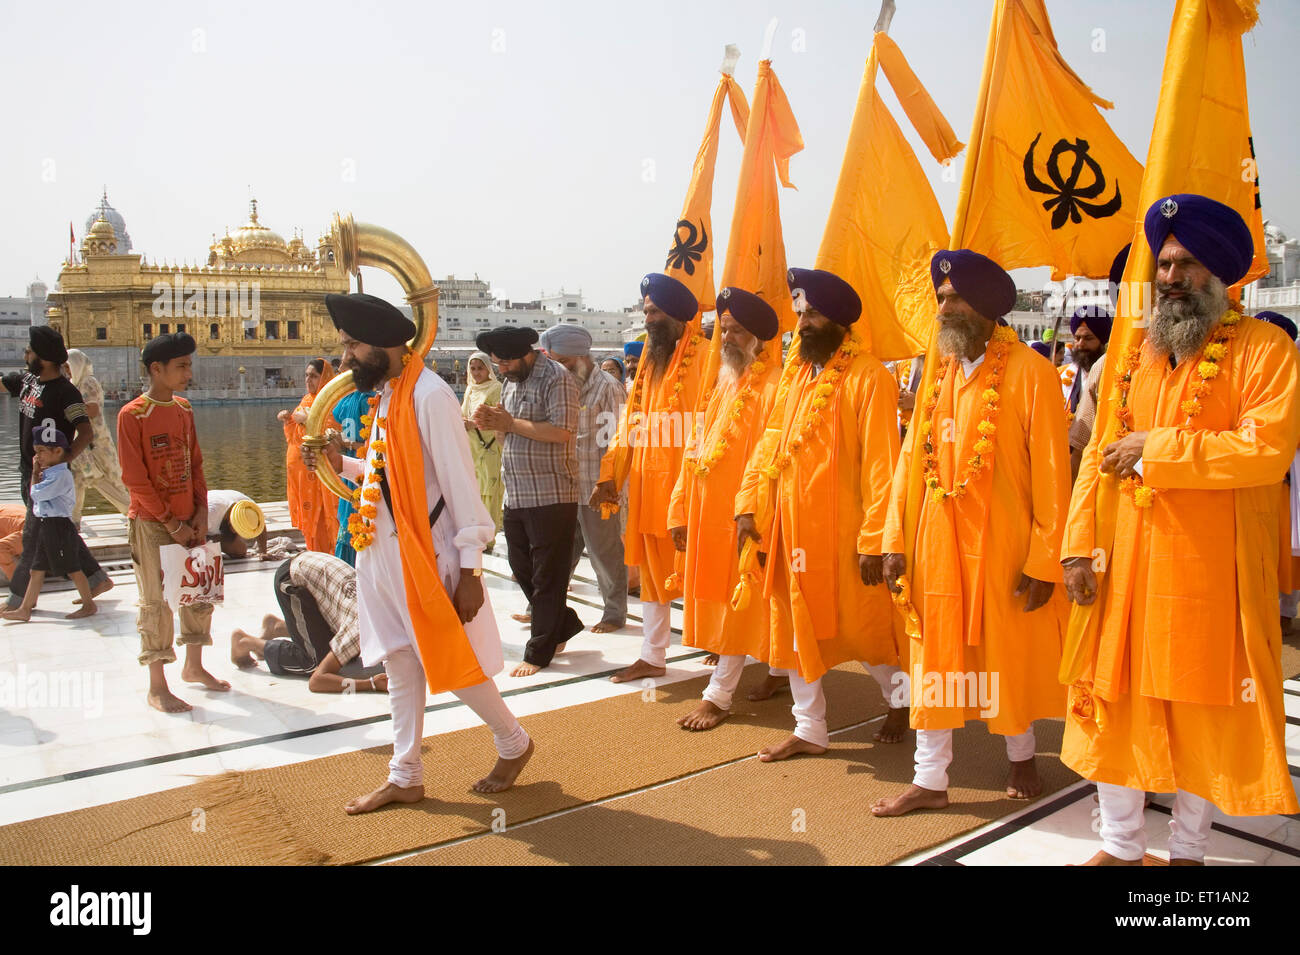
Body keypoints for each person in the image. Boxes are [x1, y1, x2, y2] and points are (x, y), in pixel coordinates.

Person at [1062, 194, 1300, 865]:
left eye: (1185, 263)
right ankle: (1119, 843)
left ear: (1218, 275)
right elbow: (1098, 460)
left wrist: (1156, 449)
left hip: (1210, 573)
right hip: (1127, 569)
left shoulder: (1265, 349)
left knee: (1202, 711)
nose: (1168, 276)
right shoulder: (1137, 353)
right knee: (1119, 702)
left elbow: (1265, 450)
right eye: (1164, 263)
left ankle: (1189, 850)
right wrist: (1077, 545)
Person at [306, 292, 533, 812]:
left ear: (385, 345)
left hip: (426, 555)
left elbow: (461, 488)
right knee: (402, 662)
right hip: (384, 552)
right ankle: (405, 773)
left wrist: (472, 569)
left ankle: (513, 742)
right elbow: (385, 480)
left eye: (353, 346)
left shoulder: (429, 395)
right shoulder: (388, 393)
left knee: (448, 661)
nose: (345, 359)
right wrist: (340, 463)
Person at [875, 250, 1070, 816]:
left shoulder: (1032, 373)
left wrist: (1044, 559)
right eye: (941, 299)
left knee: (1005, 656)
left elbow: (1055, 476)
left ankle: (1023, 753)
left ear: (986, 307)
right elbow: (910, 462)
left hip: (1005, 547)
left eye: (955, 298)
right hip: (936, 545)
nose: (945, 308)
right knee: (933, 658)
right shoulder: (934, 376)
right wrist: (893, 539)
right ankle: (930, 779)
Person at [734, 269, 907, 758]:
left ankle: (902, 698)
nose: (802, 322)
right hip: (785, 527)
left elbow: (882, 466)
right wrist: (748, 506)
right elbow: (769, 446)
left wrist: (875, 539)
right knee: (790, 626)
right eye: (801, 313)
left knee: (864, 631)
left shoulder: (870, 376)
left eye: (812, 313)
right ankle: (810, 728)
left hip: (844, 536)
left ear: (838, 320)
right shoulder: (795, 372)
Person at [670, 288, 782, 731]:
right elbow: (694, 451)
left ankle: (718, 695)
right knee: (741, 602)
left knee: (745, 600)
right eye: (724, 330)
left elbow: (773, 460)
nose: (728, 338)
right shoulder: (721, 384)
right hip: (709, 517)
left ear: (758, 338)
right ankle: (779, 671)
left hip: (750, 519)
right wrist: (679, 510)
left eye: (737, 331)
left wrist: (751, 511)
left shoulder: (776, 386)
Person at [591, 274, 707, 684]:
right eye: (645, 312)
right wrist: (610, 476)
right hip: (648, 488)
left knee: (709, 570)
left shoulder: (710, 358)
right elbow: (629, 426)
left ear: (676, 315)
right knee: (655, 579)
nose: (648, 319)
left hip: (695, 491)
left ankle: (732, 648)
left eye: (654, 311)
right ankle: (653, 654)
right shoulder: (649, 363)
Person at [117, 332, 228, 713]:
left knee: (199, 591)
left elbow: (194, 463)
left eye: (188, 365)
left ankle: (194, 667)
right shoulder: (132, 415)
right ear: (156, 369)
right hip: (151, 522)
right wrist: (171, 523)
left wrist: (199, 512)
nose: (188, 373)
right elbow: (135, 480)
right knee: (156, 602)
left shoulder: (183, 409)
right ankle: (157, 684)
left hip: (188, 517)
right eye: (181, 366)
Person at [472, 325, 584, 677]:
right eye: (497, 364)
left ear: (525, 353)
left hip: (552, 492)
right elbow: (509, 431)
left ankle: (539, 651)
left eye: (504, 363)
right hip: (517, 492)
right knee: (522, 568)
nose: (500, 370)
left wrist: (510, 423)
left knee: (547, 576)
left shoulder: (557, 378)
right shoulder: (510, 382)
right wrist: (491, 423)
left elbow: (562, 431)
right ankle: (562, 624)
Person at [3, 327, 112, 611]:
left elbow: (85, 433)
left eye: (31, 350)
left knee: (33, 535)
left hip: (49, 476)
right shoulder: (29, 381)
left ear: (46, 358)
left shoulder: (66, 393)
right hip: (30, 470)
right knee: (56, 527)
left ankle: (18, 601)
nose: (26, 354)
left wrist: (64, 459)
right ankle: (96, 578)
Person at [540, 323, 628, 633]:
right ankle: (546, 607)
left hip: (597, 485)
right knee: (560, 550)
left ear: (581, 357)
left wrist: (610, 485)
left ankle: (615, 613)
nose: (558, 369)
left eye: (562, 362)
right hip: (565, 483)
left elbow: (620, 440)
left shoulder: (608, 388)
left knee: (604, 551)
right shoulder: (560, 385)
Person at [230, 551, 387, 694]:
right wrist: (370, 684)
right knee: (313, 662)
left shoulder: (383, 610)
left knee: (347, 655)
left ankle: (277, 627)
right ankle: (245, 641)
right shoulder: (359, 630)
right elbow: (317, 681)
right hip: (292, 579)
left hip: (311, 569)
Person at [3, 432, 97, 621]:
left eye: (42, 451)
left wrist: (34, 474)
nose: (38, 457)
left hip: (59, 527)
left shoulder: (61, 475)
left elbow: (36, 494)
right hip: (47, 526)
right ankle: (25, 609)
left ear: (58, 451)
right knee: (36, 570)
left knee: (72, 568)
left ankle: (89, 604)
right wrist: (36, 473)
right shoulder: (48, 473)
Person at [63, 349, 131, 522]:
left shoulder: (88, 382)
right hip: (81, 442)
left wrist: (63, 411)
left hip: (94, 442)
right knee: (76, 478)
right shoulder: (75, 383)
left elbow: (92, 408)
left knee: (103, 479)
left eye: (69, 366)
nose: (67, 371)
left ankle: (133, 513)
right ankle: (74, 520)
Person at [279, 358, 339, 552]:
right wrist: (289, 420)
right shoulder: (306, 400)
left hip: (321, 476)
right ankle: (315, 553)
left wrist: (307, 420)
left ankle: (329, 555)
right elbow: (294, 436)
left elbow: (331, 431)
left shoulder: (330, 400)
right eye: (306, 375)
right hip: (303, 476)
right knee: (310, 522)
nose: (308, 380)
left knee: (325, 521)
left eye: (313, 376)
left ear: (324, 377)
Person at [460, 351, 504, 547]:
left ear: (488, 368)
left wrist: (474, 424)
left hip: (490, 446)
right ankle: (477, 532)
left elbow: (500, 417)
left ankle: (489, 537)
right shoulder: (470, 389)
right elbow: (463, 413)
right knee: (474, 490)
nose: (477, 372)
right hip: (471, 447)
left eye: (480, 368)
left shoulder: (496, 388)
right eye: (473, 368)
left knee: (490, 490)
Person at [330, 385, 378, 565]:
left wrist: (347, 444)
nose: (342, 367)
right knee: (348, 519)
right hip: (351, 469)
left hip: (369, 469)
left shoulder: (373, 401)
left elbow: (377, 446)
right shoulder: (347, 400)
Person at [1066, 307, 1113, 480]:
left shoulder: (1110, 372)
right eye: (1077, 338)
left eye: (1088, 338)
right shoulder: (1059, 376)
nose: (1080, 344)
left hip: (1098, 463)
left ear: (1102, 340)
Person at [205, 489, 271, 559]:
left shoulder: (249, 507)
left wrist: (263, 552)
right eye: (237, 529)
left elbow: (260, 526)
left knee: (239, 552)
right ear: (230, 521)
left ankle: (216, 542)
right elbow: (193, 534)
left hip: (220, 524)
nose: (235, 532)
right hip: (199, 529)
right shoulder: (210, 514)